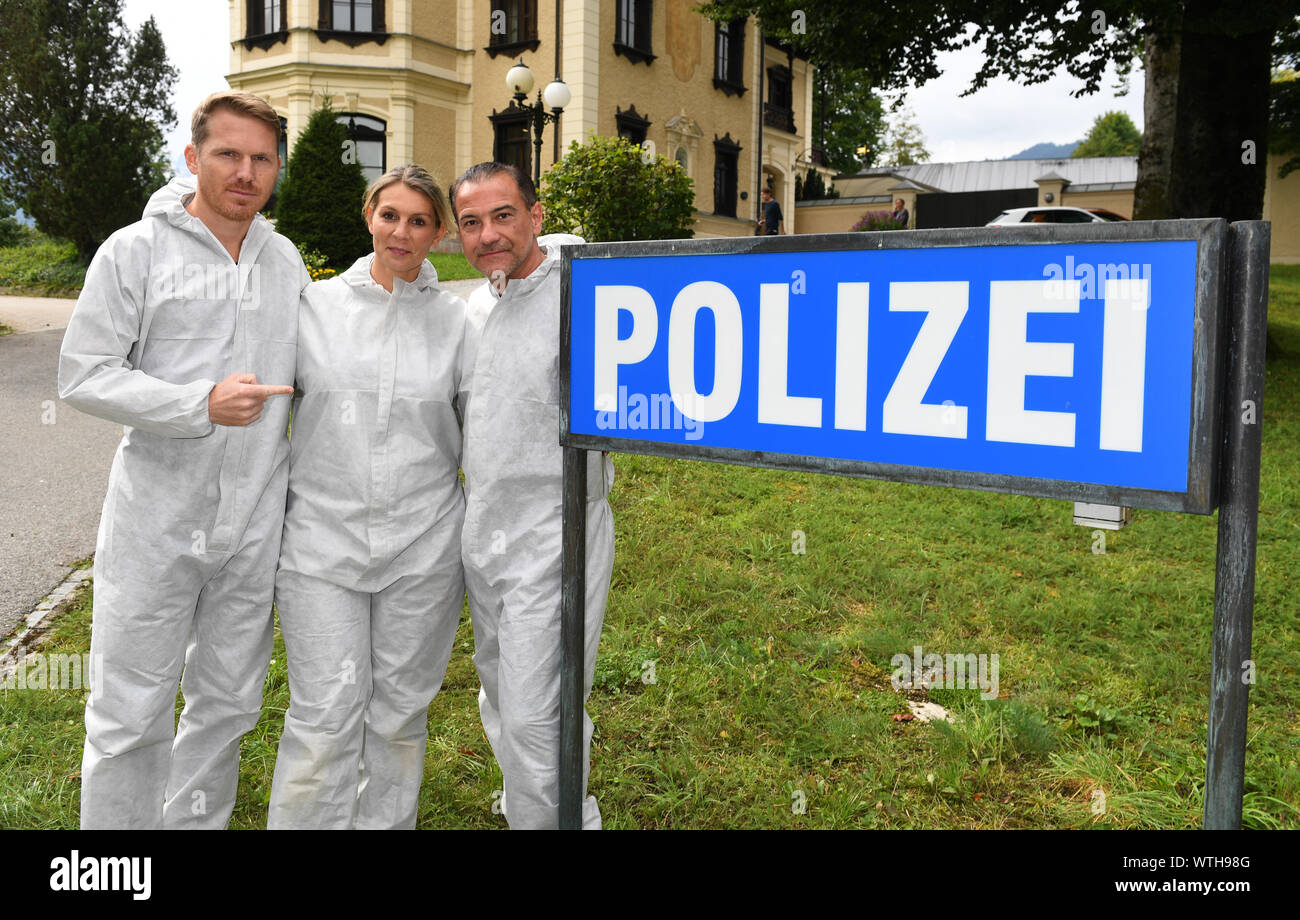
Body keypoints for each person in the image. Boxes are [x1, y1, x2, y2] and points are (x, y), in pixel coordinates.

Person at [58, 91, 307, 829]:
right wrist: (197, 404)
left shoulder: (284, 258)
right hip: (156, 521)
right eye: (229, 154)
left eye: (263, 158)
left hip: (252, 522)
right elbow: (83, 373)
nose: (246, 171)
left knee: (227, 701)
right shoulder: (135, 251)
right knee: (129, 707)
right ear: (194, 158)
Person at [267, 164, 468, 829]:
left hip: (424, 548)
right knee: (325, 715)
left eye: (419, 220)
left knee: (399, 716)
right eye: (390, 216)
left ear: (439, 231)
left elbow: (487, 430)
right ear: (368, 215)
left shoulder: (459, 323)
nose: (401, 232)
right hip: (321, 545)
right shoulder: (314, 308)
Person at [451, 162, 615, 829]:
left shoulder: (583, 291)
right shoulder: (476, 305)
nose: (488, 233)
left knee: (536, 712)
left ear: (536, 216)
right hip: (485, 531)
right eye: (470, 222)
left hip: (559, 529)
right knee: (502, 702)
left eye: (503, 215)